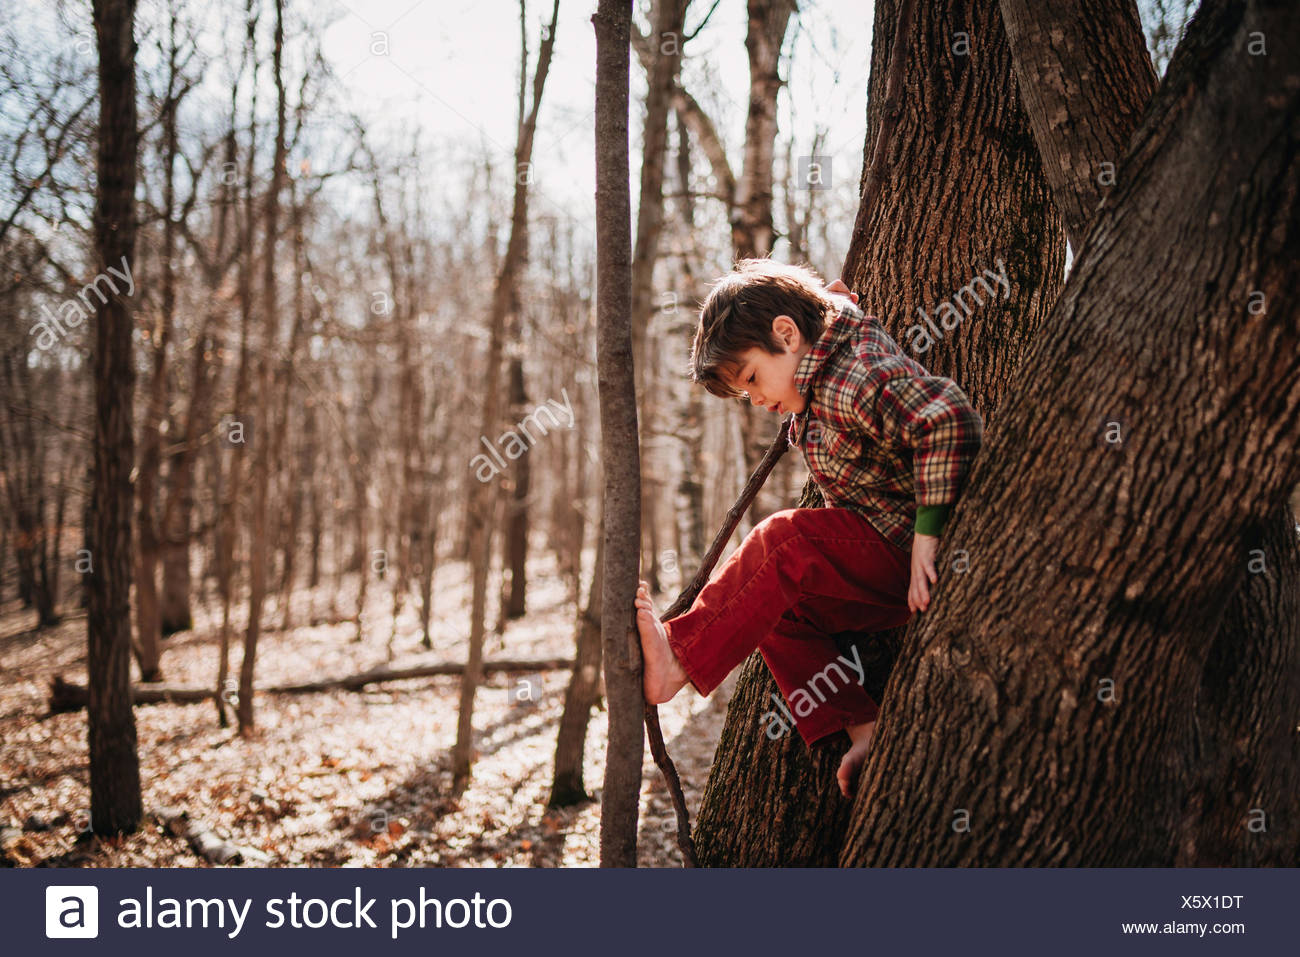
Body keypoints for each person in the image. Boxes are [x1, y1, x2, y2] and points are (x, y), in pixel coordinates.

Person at [636, 258, 983, 798]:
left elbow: (946, 418)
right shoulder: (825, 362)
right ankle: (862, 727)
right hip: (875, 563)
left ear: (787, 333)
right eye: (743, 393)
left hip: (904, 553)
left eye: (751, 377)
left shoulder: (852, 375)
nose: (754, 399)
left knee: (783, 543)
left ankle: (679, 661)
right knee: (767, 605)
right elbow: (836, 317)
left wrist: (928, 536)